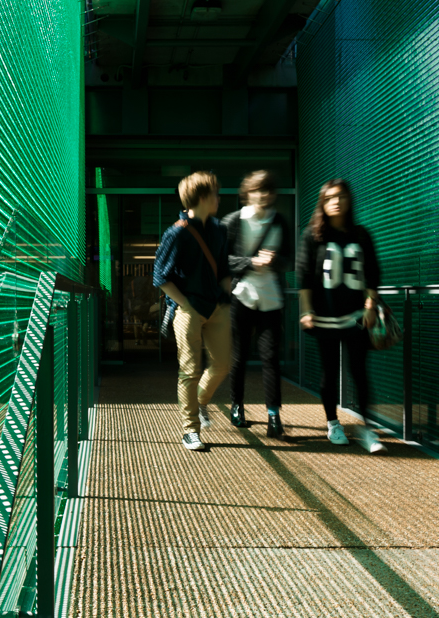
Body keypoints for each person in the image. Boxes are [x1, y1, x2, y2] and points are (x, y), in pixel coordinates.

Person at [296, 179, 387, 454]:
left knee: (360, 372)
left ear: (349, 201)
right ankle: (333, 423)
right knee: (329, 372)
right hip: (325, 317)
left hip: (356, 317)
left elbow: (373, 274)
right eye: (330, 197)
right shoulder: (312, 236)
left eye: (341, 196)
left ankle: (367, 428)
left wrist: (371, 307)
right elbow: (303, 277)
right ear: (323, 203)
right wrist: (306, 310)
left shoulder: (361, 235)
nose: (336, 201)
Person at [154, 171, 232, 451]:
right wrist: (184, 304)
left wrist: (226, 292)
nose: (219, 199)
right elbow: (160, 276)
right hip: (188, 309)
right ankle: (190, 430)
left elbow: (223, 267)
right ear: (202, 198)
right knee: (190, 370)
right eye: (215, 194)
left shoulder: (219, 230)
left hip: (217, 307)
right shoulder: (177, 232)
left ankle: (199, 402)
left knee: (222, 365)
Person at [222, 170, 292, 438]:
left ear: (273, 194)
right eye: (256, 190)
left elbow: (288, 260)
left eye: (267, 190)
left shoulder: (280, 222)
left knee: (270, 359)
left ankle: (274, 416)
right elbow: (222, 261)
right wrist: (252, 262)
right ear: (247, 193)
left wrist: (275, 261)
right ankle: (237, 406)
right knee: (239, 356)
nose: (262, 195)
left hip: (272, 298)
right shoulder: (234, 221)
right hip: (242, 295)